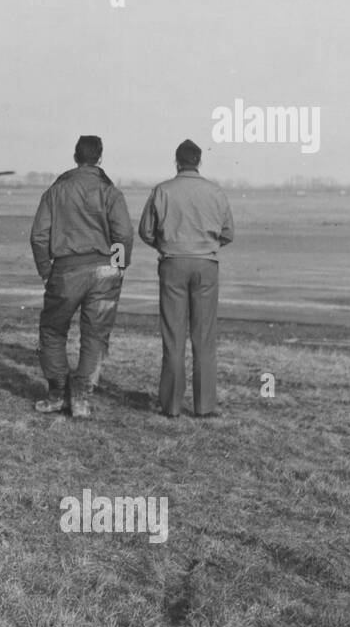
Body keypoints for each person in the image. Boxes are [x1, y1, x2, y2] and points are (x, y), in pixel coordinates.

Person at [29, 135, 133, 419]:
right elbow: (123, 234)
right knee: (96, 335)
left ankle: (56, 394)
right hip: (105, 271)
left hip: (65, 271)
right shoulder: (111, 192)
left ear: (75, 157)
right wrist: (119, 266)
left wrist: (45, 270)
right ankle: (82, 399)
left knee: (52, 331)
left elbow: (39, 235)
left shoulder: (56, 190)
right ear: (100, 158)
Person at [137, 139, 235, 418]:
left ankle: (171, 405)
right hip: (207, 265)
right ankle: (204, 406)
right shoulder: (215, 192)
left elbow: (145, 231)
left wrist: (166, 245)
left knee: (173, 336)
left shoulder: (162, 190)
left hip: (172, 264)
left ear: (177, 161)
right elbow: (228, 233)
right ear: (200, 161)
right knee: (204, 337)